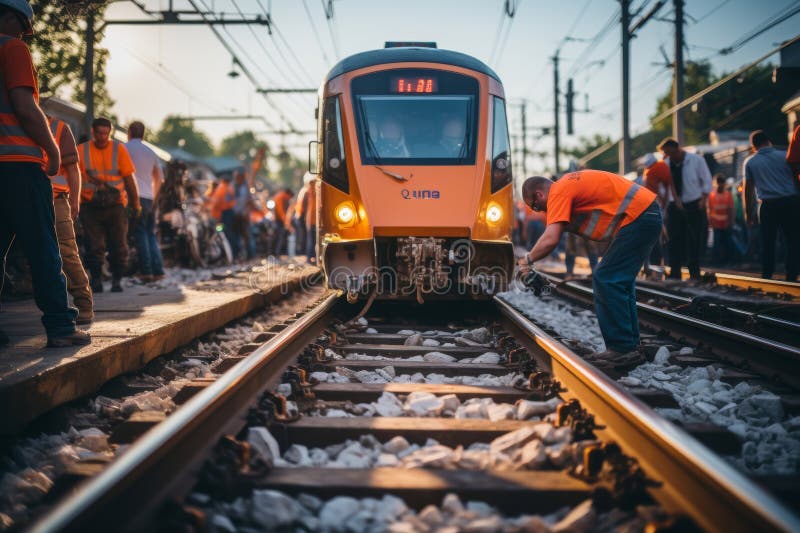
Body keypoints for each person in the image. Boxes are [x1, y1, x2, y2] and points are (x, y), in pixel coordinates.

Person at [0, 1, 90, 347]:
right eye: (23, 26)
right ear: (9, 16)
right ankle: (60, 327)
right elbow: (24, 105)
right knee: (43, 248)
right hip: (20, 166)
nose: (25, 35)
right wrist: (51, 149)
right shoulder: (12, 47)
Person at [520, 170, 660, 371]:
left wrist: (527, 259)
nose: (540, 212)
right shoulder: (567, 186)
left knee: (605, 277)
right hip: (646, 214)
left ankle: (622, 349)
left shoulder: (559, 191)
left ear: (539, 195)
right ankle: (631, 346)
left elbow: (551, 238)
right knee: (620, 281)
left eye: (535, 207)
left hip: (639, 216)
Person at [78, 117, 141, 293]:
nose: (102, 137)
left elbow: (129, 178)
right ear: (93, 132)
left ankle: (116, 281)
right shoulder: (81, 151)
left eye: (106, 133)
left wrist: (136, 204)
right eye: (99, 133)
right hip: (90, 205)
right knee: (94, 245)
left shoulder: (118, 149)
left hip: (116, 206)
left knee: (119, 244)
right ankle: (96, 280)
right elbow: (73, 177)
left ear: (110, 132)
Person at [48, 116, 94, 324]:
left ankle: (84, 304)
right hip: (16, 196)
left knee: (66, 251)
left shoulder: (58, 127)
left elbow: (73, 169)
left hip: (55, 199)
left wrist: (75, 200)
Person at [743, 130, 800, 282]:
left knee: (768, 242)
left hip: (768, 206)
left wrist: (748, 213)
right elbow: (796, 179)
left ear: (753, 146)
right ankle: (791, 275)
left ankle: (767, 276)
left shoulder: (750, 162)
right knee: (792, 240)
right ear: (769, 141)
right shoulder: (784, 156)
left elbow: (748, 190)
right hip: (790, 202)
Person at [658, 138, 712, 280]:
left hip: (694, 203)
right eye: (666, 153)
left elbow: (706, 179)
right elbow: (663, 187)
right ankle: (675, 272)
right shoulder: (665, 164)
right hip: (674, 205)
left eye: (670, 152)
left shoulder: (696, 160)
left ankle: (694, 272)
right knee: (674, 239)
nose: (669, 156)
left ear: (678, 149)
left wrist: (703, 199)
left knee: (694, 239)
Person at [126, 121, 164, 282]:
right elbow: (160, 178)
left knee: (139, 233)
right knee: (150, 234)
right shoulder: (151, 152)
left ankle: (146, 271)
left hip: (132, 197)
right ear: (143, 134)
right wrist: (153, 197)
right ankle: (158, 270)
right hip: (149, 197)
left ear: (129, 132)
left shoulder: (124, 149)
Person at [707, 173, 735, 266]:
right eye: (719, 182)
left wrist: (731, 222)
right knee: (717, 244)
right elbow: (709, 210)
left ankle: (727, 261)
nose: (720, 184)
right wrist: (711, 222)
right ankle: (717, 262)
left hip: (726, 223)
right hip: (716, 224)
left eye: (721, 182)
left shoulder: (728, 195)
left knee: (727, 244)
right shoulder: (711, 195)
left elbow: (730, 209)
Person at [232, 171, 253, 260]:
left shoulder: (246, 187)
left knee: (246, 236)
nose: (238, 179)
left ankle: (250, 255)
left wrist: (246, 212)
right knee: (235, 236)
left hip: (243, 215)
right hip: (234, 215)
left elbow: (250, 201)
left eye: (240, 177)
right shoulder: (232, 186)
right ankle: (236, 255)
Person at [271, 187, 293, 256]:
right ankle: (276, 253)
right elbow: (281, 211)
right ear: (288, 194)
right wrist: (285, 222)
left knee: (278, 237)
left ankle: (276, 253)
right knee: (279, 237)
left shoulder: (280, 196)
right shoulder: (280, 197)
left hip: (278, 220)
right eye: (289, 197)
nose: (289, 199)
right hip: (278, 221)